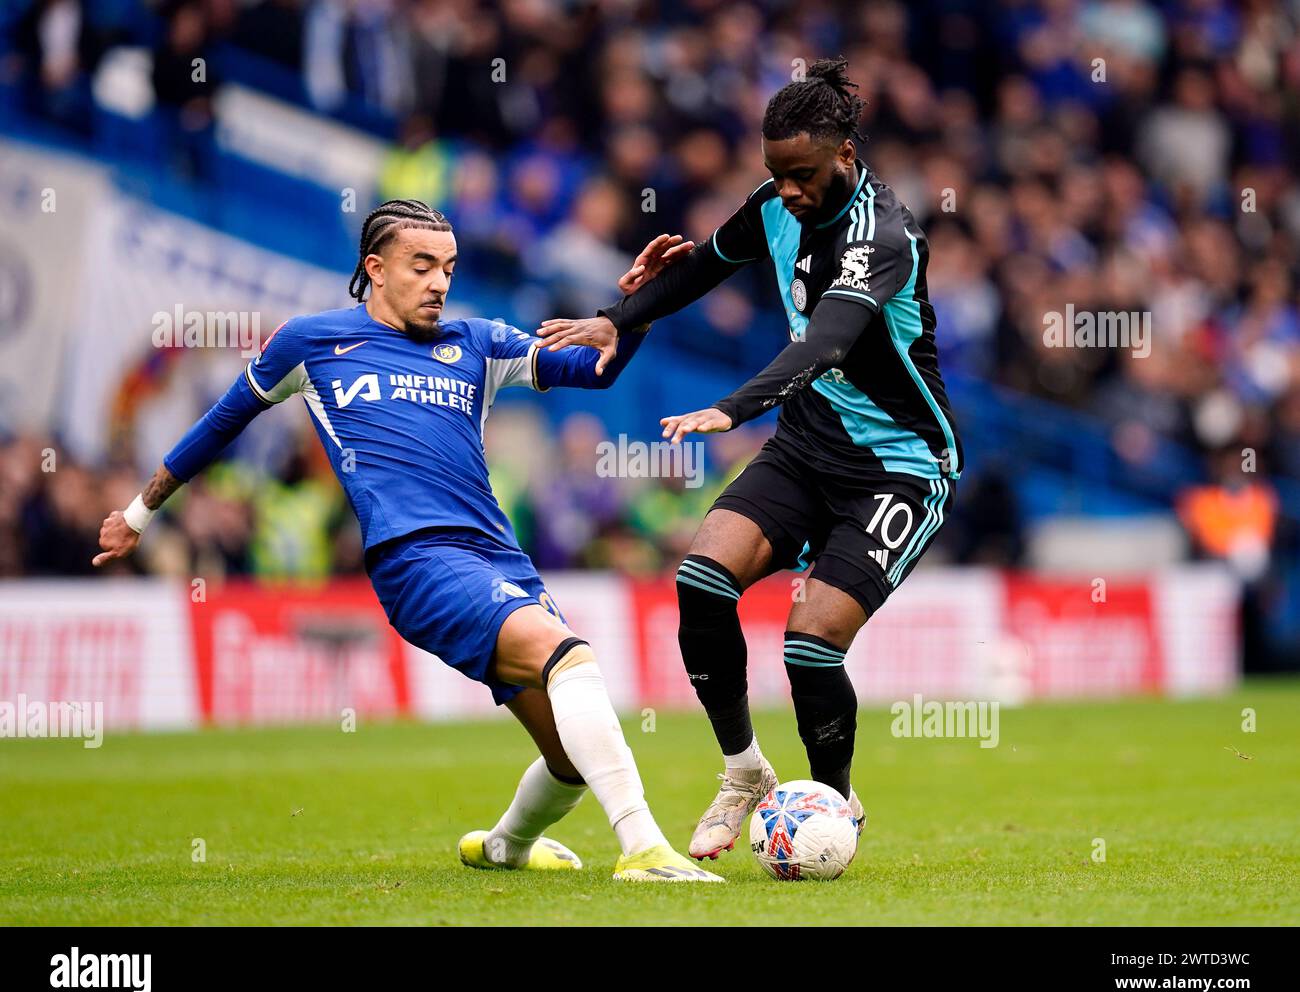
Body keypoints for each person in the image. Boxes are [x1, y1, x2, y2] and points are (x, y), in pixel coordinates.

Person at [93, 199, 720, 883]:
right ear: (376, 268)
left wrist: (639, 309)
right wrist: (138, 511)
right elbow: (221, 422)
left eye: (447, 267)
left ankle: (504, 845)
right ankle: (644, 850)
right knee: (567, 657)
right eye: (421, 266)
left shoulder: (478, 343)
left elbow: (597, 370)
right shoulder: (312, 342)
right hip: (416, 559)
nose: (438, 282)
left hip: (500, 557)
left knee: (571, 755)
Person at [535, 59, 963, 861]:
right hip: (808, 443)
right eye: (775, 173)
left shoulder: (885, 235)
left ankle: (832, 806)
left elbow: (827, 339)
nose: (788, 189)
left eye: (801, 174)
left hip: (901, 463)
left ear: (843, 152)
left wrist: (733, 407)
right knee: (699, 580)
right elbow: (702, 264)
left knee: (809, 643)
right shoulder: (774, 205)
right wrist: (615, 318)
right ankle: (745, 773)